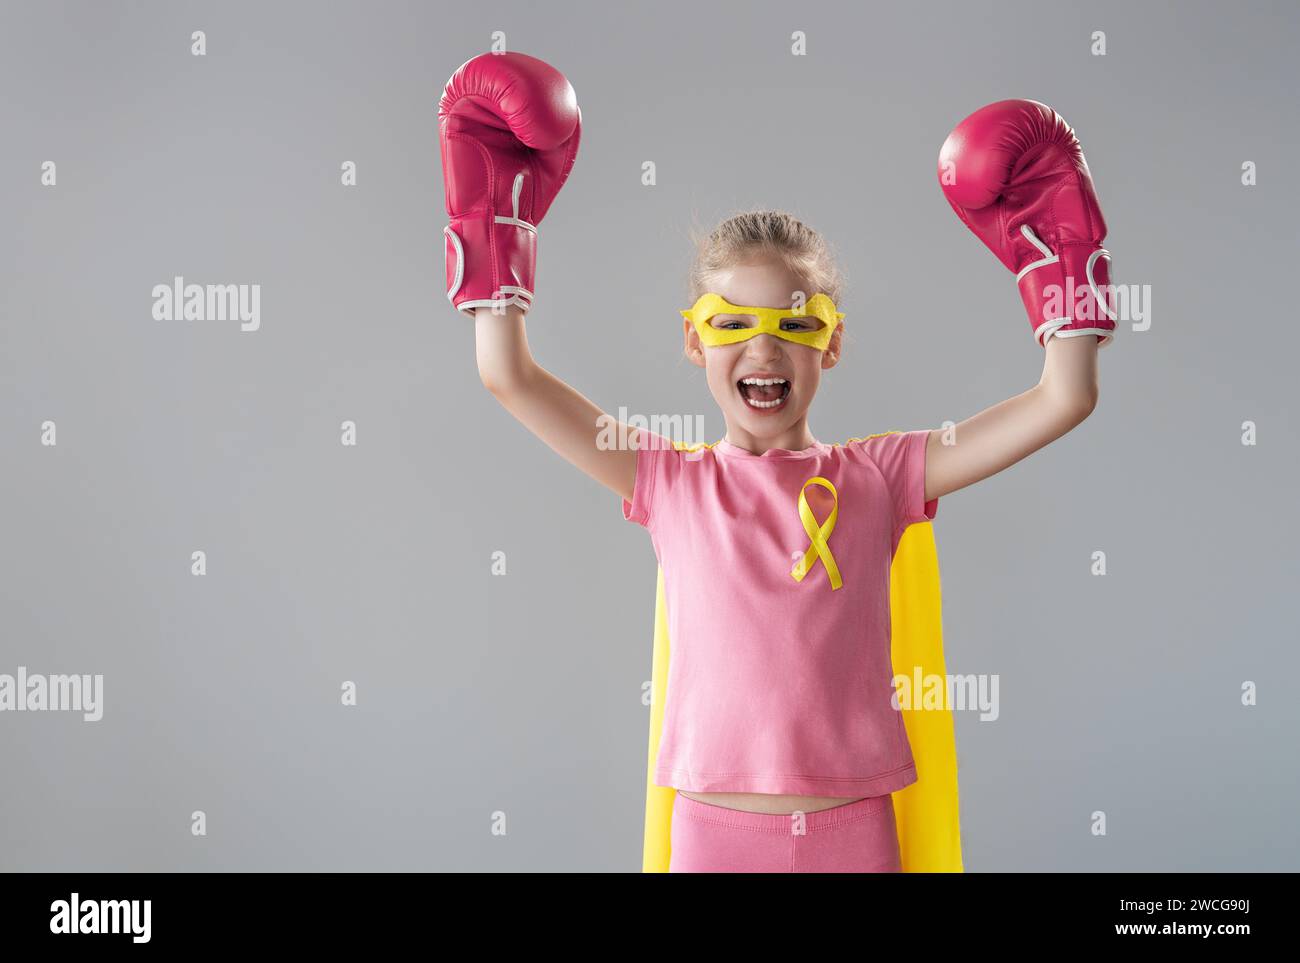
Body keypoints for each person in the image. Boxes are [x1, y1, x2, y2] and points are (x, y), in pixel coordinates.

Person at [440, 54, 1114, 872]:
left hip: (853, 832)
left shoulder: (883, 476)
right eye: (733, 324)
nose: (764, 347)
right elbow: (507, 373)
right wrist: (491, 229)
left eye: (795, 323)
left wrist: (1065, 265)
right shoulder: (668, 480)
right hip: (711, 837)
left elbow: (1063, 398)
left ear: (831, 341)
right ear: (694, 340)